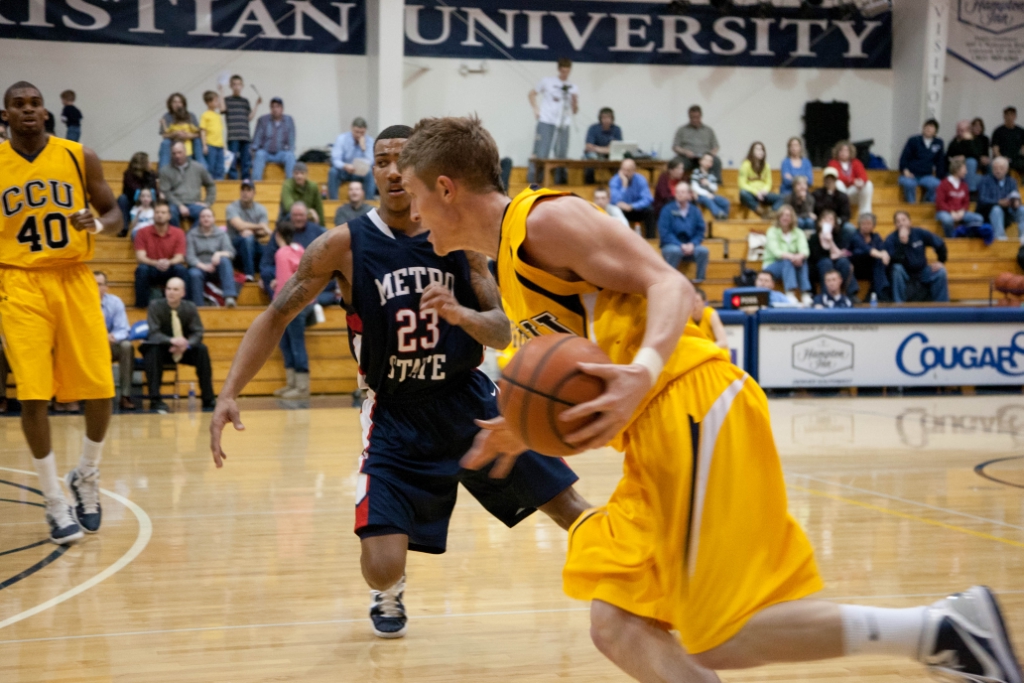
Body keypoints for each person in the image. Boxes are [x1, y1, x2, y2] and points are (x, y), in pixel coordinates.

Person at [396, 115, 1020, 683]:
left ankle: (944, 631)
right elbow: (563, 369)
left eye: (415, 194)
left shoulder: (545, 220)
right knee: (618, 624)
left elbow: (669, 283)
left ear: (446, 188)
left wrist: (642, 368)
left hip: (688, 401)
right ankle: (948, 631)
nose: (410, 211)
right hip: (653, 433)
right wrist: (518, 427)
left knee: (718, 637)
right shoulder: (509, 262)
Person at [210, 124, 588, 640]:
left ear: (421, 170)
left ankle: (634, 576)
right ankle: (388, 591)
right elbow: (278, 314)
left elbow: (503, 333)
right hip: (394, 413)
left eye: (400, 160)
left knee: (567, 504)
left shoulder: (459, 240)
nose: (391, 170)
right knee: (382, 562)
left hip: (469, 400)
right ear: (372, 170)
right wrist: (229, 391)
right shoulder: (344, 244)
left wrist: (463, 316)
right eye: (381, 160)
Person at [0, 80, 123, 544]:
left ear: (46, 112)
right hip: (18, 281)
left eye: (35, 104)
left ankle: (86, 475)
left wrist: (99, 222)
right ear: (5, 114)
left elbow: (114, 213)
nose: (29, 111)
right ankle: (53, 500)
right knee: (32, 393)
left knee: (100, 387)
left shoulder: (77, 155)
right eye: (19, 105)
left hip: (74, 275)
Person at [141, 277, 214, 413]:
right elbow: (153, 333)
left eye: (175, 289)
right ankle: (155, 399)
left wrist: (186, 344)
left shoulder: (189, 307)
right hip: (162, 347)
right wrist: (171, 341)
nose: (171, 292)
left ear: (183, 293)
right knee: (152, 351)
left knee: (202, 350)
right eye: (168, 289)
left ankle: (208, 398)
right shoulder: (155, 305)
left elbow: (198, 332)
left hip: (183, 348)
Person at [269, 220, 312, 399]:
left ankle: (301, 387)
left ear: (278, 235)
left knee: (293, 343)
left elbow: (286, 283)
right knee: (289, 343)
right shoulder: (299, 248)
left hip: (289, 305)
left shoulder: (281, 253)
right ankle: (293, 384)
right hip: (303, 302)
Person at [260, 202, 333, 299]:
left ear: (307, 216)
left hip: (310, 275)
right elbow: (266, 262)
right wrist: (277, 277)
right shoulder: (281, 231)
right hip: (285, 273)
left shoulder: (317, 231)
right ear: (290, 216)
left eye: (301, 215)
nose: (298, 218)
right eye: (295, 215)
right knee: (266, 274)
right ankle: (280, 304)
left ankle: (305, 299)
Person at [527, 58, 579, 185]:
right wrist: (536, 109)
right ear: (559, 69)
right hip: (546, 119)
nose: (565, 74)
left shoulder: (573, 87)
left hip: (563, 122)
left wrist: (574, 101)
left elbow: (575, 111)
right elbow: (531, 94)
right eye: (563, 71)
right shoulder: (547, 81)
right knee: (541, 152)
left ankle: (559, 181)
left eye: (567, 71)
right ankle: (535, 179)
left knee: (561, 153)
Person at [134, 200, 190, 308]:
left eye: (163, 213)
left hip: (170, 268)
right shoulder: (142, 232)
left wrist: (168, 262)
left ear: (169, 216)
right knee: (142, 269)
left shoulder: (178, 233)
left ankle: (184, 306)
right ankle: (141, 307)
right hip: (151, 268)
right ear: (153, 215)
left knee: (181, 270)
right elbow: (140, 257)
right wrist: (156, 263)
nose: (160, 215)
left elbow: (180, 257)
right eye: (157, 212)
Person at [885, 210, 949, 303]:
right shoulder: (891, 238)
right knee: (896, 268)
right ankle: (898, 306)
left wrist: (941, 261)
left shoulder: (919, 233)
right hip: (904, 274)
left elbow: (939, 244)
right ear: (895, 225)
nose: (901, 223)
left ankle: (942, 308)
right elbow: (893, 261)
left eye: (904, 220)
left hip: (922, 271)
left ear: (910, 222)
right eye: (898, 221)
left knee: (940, 272)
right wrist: (902, 243)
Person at [95, 271, 135, 411]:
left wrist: (112, 337)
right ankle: (74, 397)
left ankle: (125, 395)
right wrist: (100, 337)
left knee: (126, 346)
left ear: (106, 287)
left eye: (99, 284)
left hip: (110, 346)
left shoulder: (115, 302)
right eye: (92, 284)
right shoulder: (80, 302)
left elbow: (124, 329)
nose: (95, 287)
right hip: (88, 348)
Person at [186, 207, 237, 307]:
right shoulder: (192, 234)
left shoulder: (222, 234)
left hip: (217, 267)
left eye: (208, 216)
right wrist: (203, 266)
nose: (206, 219)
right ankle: (199, 306)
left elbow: (231, 252)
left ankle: (229, 297)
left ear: (213, 219)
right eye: (203, 216)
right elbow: (189, 256)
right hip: (199, 267)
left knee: (225, 261)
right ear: (199, 219)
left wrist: (219, 254)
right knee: (193, 274)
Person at [762, 204, 813, 305]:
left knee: (802, 261)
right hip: (771, 265)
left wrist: (800, 256)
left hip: (792, 264)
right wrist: (793, 257)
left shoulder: (798, 232)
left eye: (788, 215)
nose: (785, 218)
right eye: (783, 215)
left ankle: (805, 294)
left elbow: (805, 250)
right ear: (779, 217)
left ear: (792, 218)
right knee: (787, 261)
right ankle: (790, 293)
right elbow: (776, 252)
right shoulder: (772, 231)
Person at [159, 140, 217, 227]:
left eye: (179, 152)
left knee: (205, 214)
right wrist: (180, 205)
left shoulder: (198, 167)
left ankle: (191, 237)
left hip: (194, 203)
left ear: (185, 152)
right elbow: (166, 192)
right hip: (174, 204)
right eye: (174, 153)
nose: (177, 156)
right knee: (170, 213)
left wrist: (207, 202)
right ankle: (177, 238)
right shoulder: (165, 170)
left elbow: (210, 185)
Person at [658, 183, 708, 283]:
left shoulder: (695, 211)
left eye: (682, 192)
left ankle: (700, 280)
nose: (679, 194)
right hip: (671, 244)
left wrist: (693, 244)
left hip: (690, 245)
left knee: (703, 251)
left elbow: (700, 231)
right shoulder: (667, 210)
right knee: (674, 251)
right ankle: (669, 281)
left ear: (689, 195)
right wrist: (680, 245)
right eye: (677, 192)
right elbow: (664, 232)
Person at [219, 74, 261, 181]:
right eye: (234, 85)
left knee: (246, 161)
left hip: (245, 136)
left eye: (239, 84)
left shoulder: (245, 101)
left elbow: (249, 117)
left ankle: (246, 181)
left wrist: (256, 105)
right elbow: (222, 109)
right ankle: (233, 181)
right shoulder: (227, 100)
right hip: (233, 136)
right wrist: (221, 91)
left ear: (242, 86)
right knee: (231, 161)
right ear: (231, 86)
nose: (236, 87)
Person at [226, 180, 269, 280]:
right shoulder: (232, 207)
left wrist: (251, 231)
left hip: (253, 245)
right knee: (247, 238)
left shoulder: (261, 208)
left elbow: (264, 232)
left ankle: (267, 278)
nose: (245, 193)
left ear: (254, 193)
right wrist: (260, 226)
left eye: (248, 190)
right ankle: (250, 274)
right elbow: (240, 226)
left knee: (270, 249)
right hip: (234, 245)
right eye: (243, 190)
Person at [808, 210, 856, 297]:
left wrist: (830, 241)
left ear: (834, 223)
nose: (828, 222)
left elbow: (842, 253)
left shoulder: (840, 235)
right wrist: (834, 255)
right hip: (819, 265)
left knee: (844, 262)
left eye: (831, 220)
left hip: (835, 263)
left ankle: (851, 294)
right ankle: (826, 294)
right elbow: (816, 256)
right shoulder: (814, 237)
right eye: (825, 219)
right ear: (819, 223)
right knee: (826, 262)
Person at [978, 156, 1024, 242]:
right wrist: (998, 202)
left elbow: (1016, 196)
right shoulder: (985, 180)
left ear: (1006, 169)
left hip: (1008, 210)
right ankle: (1000, 238)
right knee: (996, 209)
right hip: (989, 212)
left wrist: (1016, 202)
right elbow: (982, 199)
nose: (998, 171)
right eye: (995, 168)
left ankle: (1023, 237)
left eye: (1001, 168)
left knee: (1022, 210)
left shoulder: (1012, 181)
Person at [898, 119, 945, 203]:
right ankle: (911, 206)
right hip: (911, 174)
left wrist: (940, 177)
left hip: (926, 175)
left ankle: (927, 204)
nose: (928, 129)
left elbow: (940, 162)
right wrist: (905, 171)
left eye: (931, 127)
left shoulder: (938, 143)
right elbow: (904, 158)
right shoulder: (913, 140)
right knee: (909, 184)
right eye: (927, 127)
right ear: (923, 128)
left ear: (935, 131)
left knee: (937, 184)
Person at [935, 158, 984, 238]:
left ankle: (965, 235)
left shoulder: (964, 185)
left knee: (978, 218)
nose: (966, 172)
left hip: (960, 212)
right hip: (944, 212)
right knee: (948, 220)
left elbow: (966, 202)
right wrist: (951, 212)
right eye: (964, 169)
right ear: (956, 170)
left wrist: (962, 211)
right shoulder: (944, 184)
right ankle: (952, 239)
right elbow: (940, 202)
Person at [329, 117, 376, 199]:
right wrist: (345, 166)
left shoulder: (370, 141)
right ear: (351, 128)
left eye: (362, 132)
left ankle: (370, 202)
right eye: (356, 132)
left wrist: (363, 148)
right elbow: (335, 159)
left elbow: (371, 162)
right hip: (344, 170)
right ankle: (333, 201)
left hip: (360, 172)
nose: (359, 135)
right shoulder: (342, 138)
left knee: (370, 173)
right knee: (333, 171)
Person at [251, 97, 296, 180]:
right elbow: (257, 139)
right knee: (259, 154)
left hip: (281, 153)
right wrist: (254, 152)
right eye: (272, 107)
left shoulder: (289, 120)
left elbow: (291, 140)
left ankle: (290, 185)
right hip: (265, 153)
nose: (275, 109)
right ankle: (256, 185)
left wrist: (291, 150)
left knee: (290, 156)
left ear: (282, 108)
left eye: (277, 106)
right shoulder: (263, 120)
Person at [609, 158, 655, 238]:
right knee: (614, 210)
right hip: (622, 210)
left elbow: (648, 199)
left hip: (636, 209)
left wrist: (632, 206)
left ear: (634, 170)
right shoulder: (614, 181)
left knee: (650, 211)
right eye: (623, 170)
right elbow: (613, 200)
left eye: (628, 170)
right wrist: (624, 186)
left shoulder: (641, 180)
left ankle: (650, 240)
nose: (625, 173)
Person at [849, 212, 890, 301]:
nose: (866, 226)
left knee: (880, 263)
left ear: (873, 226)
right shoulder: (855, 236)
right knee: (862, 253)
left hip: (871, 269)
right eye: (863, 223)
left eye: (869, 224)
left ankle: (875, 294)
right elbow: (866, 249)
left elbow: (882, 248)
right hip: (856, 269)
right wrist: (882, 255)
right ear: (859, 225)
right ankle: (881, 294)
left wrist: (884, 253)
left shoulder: (876, 237)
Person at [672, 105, 721, 179]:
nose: (694, 120)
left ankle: (717, 184)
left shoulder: (708, 130)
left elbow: (716, 147)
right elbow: (675, 147)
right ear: (689, 117)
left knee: (716, 161)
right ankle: (675, 183)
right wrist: (685, 151)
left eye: (697, 117)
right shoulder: (682, 130)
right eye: (692, 117)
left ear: (701, 116)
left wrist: (709, 155)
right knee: (675, 162)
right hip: (687, 158)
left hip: (704, 158)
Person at [117, 151, 159, 236]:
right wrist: (143, 193)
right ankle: (124, 227)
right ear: (143, 163)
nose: (150, 163)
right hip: (133, 202)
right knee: (122, 199)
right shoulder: (128, 174)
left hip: (148, 203)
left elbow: (153, 191)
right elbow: (133, 191)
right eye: (148, 161)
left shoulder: (151, 174)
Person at [828, 140, 873, 215]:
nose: (843, 153)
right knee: (837, 183)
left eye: (846, 150)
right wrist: (853, 181)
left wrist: (861, 182)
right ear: (837, 152)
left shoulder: (856, 162)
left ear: (850, 152)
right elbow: (837, 177)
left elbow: (863, 176)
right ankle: (842, 212)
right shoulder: (833, 163)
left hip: (853, 192)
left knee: (868, 184)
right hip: (840, 194)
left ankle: (865, 215)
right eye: (841, 150)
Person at [158, 93, 202, 169]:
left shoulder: (190, 115)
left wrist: (189, 135)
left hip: (189, 141)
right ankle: (163, 171)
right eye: (174, 102)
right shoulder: (166, 116)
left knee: (197, 141)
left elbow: (199, 133)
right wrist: (174, 134)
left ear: (183, 104)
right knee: (165, 143)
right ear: (170, 104)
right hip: (173, 142)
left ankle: (202, 169)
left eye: (179, 102)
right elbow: (164, 135)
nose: (177, 104)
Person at [738, 141, 782, 216]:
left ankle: (771, 213)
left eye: (762, 149)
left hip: (763, 193)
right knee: (743, 193)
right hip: (750, 194)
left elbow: (768, 182)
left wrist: (764, 190)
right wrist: (756, 192)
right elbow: (742, 184)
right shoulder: (745, 164)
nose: (760, 151)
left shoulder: (766, 166)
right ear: (752, 152)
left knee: (782, 198)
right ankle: (762, 212)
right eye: (757, 149)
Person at [584, 107, 622, 184]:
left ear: (612, 119)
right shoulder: (593, 128)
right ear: (600, 119)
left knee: (621, 162)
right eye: (604, 118)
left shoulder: (617, 129)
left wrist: (597, 148)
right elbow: (588, 147)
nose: (606, 120)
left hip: (611, 156)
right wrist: (606, 149)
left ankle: (616, 184)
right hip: (595, 156)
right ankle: (589, 184)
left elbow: (617, 148)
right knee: (590, 160)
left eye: (609, 117)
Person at [812, 167, 854, 235]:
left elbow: (846, 215)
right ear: (824, 180)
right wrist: (821, 220)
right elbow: (814, 210)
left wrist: (836, 221)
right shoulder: (816, 194)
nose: (829, 181)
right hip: (819, 221)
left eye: (832, 179)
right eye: (827, 179)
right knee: (810, 223)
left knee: (849, 228)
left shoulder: (842, 196)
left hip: (837, 222)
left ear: (836, 180)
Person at [946, 120, 985, 192]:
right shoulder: (954, 142)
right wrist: (956, 159)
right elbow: (948, 157)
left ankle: (970, 191)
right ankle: (971, 192)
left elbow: (977, 156)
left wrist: (969, 141)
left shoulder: (975, 141)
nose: (959, 132)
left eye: (962, 130)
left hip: (969, 172)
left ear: (968, 130)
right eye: (958, 130)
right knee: (971, 163)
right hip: (955, 170)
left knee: (972, 163)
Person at [690, 152, 730, 220]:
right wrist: (706, 193)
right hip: (700, 196)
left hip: (711, 195)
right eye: (706, 160)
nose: (708, 162)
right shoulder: (696, 172)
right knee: (708, 200)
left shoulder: (711, 174)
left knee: (725, 202)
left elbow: (715, 188)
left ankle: (723, 219)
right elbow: (694, 186)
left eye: (710, 161)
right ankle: (718, 214)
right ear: (700, 161)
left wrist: (708, 183)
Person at [199, 91, 225, 180]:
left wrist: (224, 146)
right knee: (211, 167)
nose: (218, 103)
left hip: (220, 146)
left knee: (220, 168)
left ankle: (219, 184)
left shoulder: (218, 115)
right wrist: (204, 145)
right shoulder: (205, 115)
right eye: (216, 101)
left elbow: (220, 132)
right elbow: (203, 131)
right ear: (209, 103)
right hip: (210, 145)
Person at [992, 106, 1024, 175]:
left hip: (1016, 159)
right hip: (1002, 158)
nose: (1009, 117)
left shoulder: (1020, 131)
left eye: (1012, 115)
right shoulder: (998, 131)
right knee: (1002, 166)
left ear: (1015, 116)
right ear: (1004, 116)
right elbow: (995, 149)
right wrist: (1002, 159)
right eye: (1007, 115)